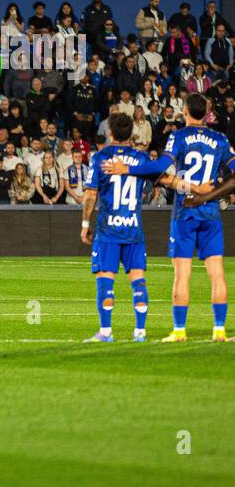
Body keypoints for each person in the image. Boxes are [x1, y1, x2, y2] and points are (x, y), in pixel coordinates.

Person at [104, 93, 232, 341]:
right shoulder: (220, 139)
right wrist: (211, 192)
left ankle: (179, 330)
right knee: (217, 272)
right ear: (206, 113)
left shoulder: (179, 136)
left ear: (184, 111)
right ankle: (219, 330)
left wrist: (127, 168)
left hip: (185, 212)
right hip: (210, 213)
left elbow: (158, 167)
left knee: (182, 273)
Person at [80, 113, 165, 343]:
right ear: (131, 134)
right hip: (133, 229)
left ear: (110, 132)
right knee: (138, 279)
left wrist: (85, 224)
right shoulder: (141, 158)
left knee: (105, 278)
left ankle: (106, 332)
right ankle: (140, 332)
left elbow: (90, 196)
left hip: (108, 229)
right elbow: (158, 180)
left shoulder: (100, 158)